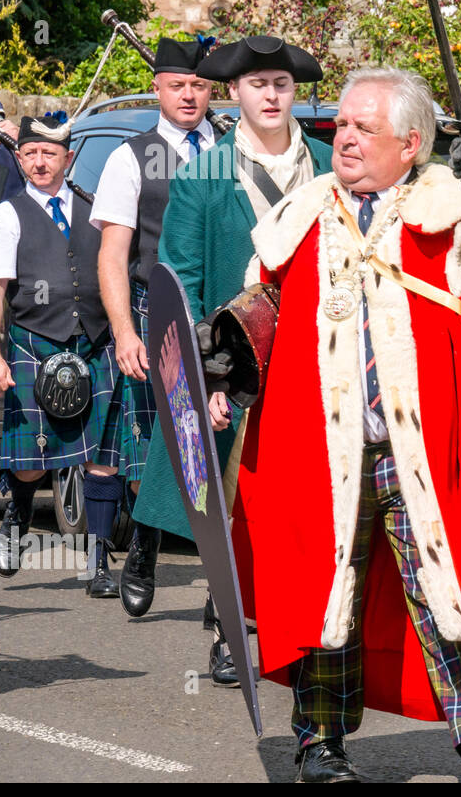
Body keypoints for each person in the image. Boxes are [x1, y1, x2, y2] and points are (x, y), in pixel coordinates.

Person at [224, 67, 461, 783]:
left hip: (423, 445)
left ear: (411, 143)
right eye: (341, 125)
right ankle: (319, 746)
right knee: (325, 597)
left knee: (444, 586)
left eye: (366, 127)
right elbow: (259, 313)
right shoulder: (301, 212)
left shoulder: (445, 208)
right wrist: (224, 354)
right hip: (316, 446)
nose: (346, 138)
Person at [128, 35, 332, 687]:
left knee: (306, 505)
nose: (270, 95)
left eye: (281, 83)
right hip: (233, 366)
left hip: (316, 364)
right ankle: (227, 622)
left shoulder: (331, 166)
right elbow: (181, 281)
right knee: (230, 502)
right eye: (257, 85)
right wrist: (209, 373)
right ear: (235, 94)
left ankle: (309, 627)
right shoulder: (202, 176)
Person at [89, 37, 215, 618]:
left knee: (222, 442)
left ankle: (225, 597)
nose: (189, 95)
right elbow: (113, 252)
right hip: (155, 307)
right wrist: (123, 330)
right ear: (158, 90)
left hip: (226, 308)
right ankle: (144, 544)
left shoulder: (232, 148)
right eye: (177, 86)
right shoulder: (130, 156)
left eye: (198, 85)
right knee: (168, 437)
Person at [0, 116, 125, 595]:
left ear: (68, 158)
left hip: (94, 341)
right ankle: (19, 512)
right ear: (21, 158)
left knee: (102, 459)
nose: (38, 162)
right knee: (32, 460)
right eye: (29, 154)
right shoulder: (8, 215)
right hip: (35, 341)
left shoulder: (94, 210)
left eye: (48, 153)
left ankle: (97, 563)